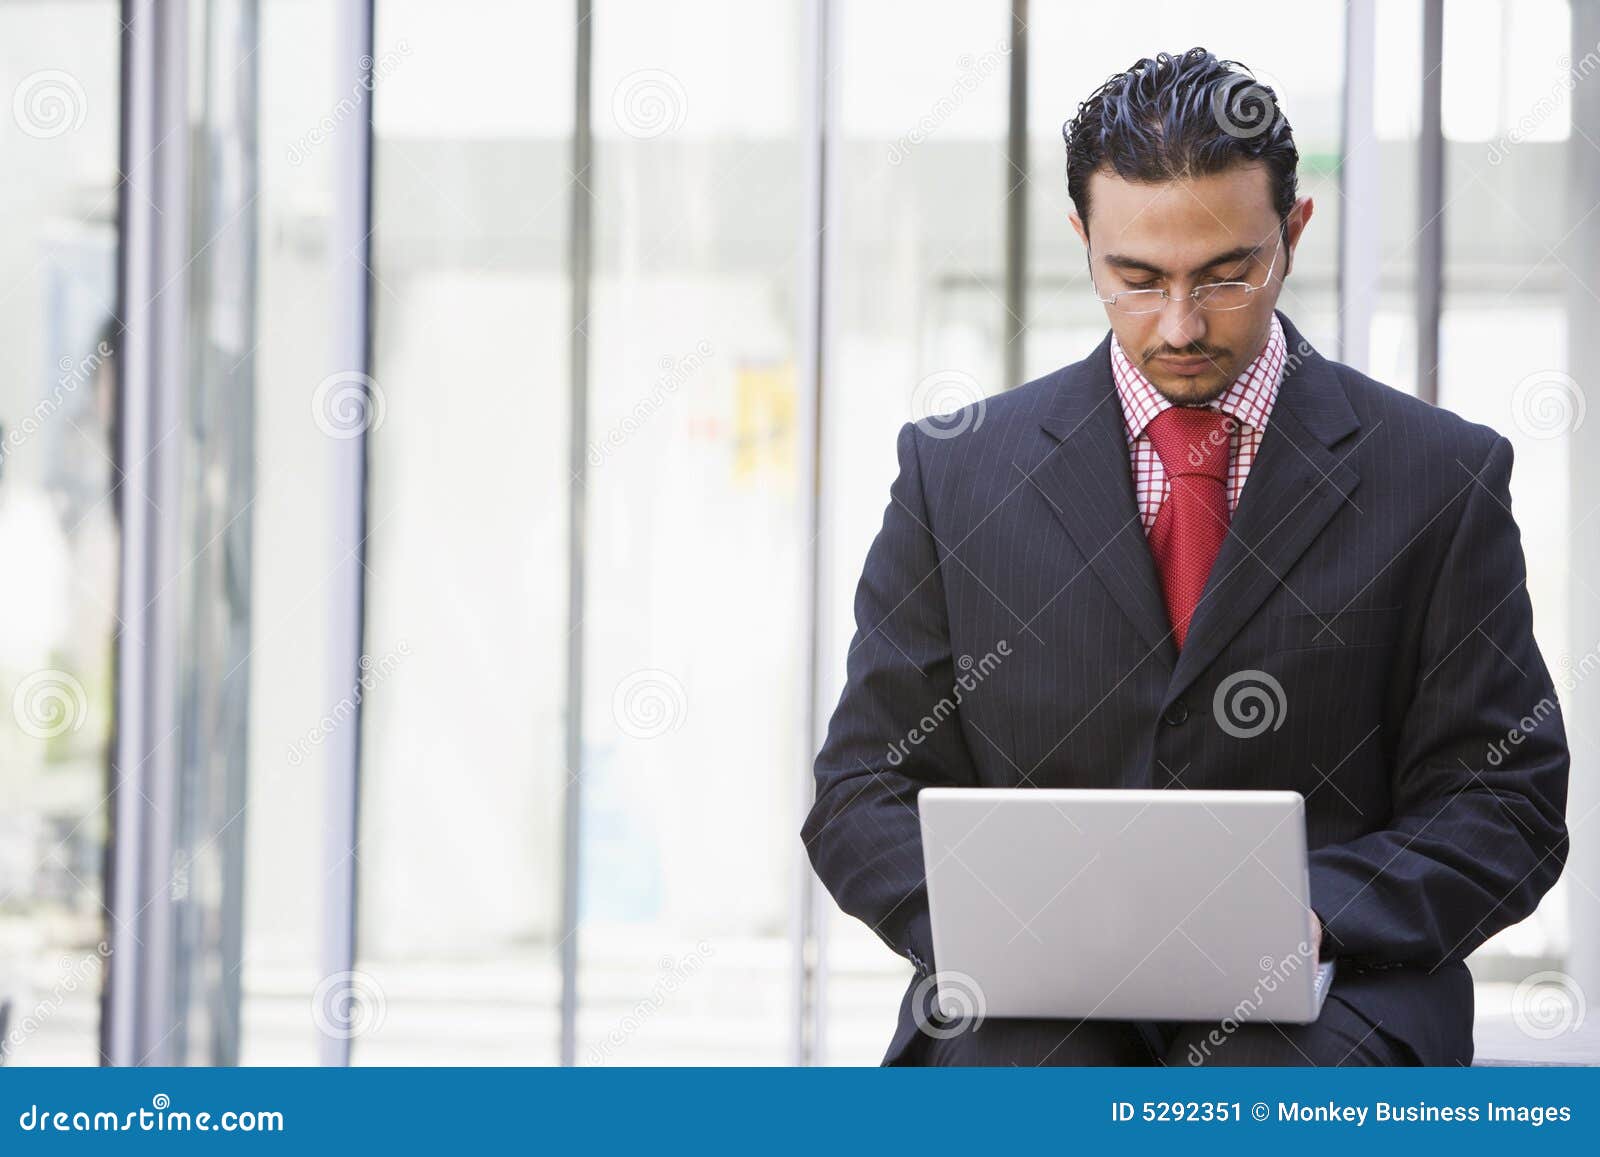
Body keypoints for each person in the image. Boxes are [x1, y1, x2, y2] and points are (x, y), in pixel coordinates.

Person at [801, 48, 1570, 1066]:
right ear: (1082, 240)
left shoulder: (1437, 476)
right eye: (1136, 278)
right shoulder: (958, 477)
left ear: (1292, 234)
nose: (1179, 324)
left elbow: (1504, 794)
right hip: (1027, 1004)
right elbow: (862, 787)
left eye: (1224, 274)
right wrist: (994, 935)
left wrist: (1318, 915)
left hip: (1333, 995)